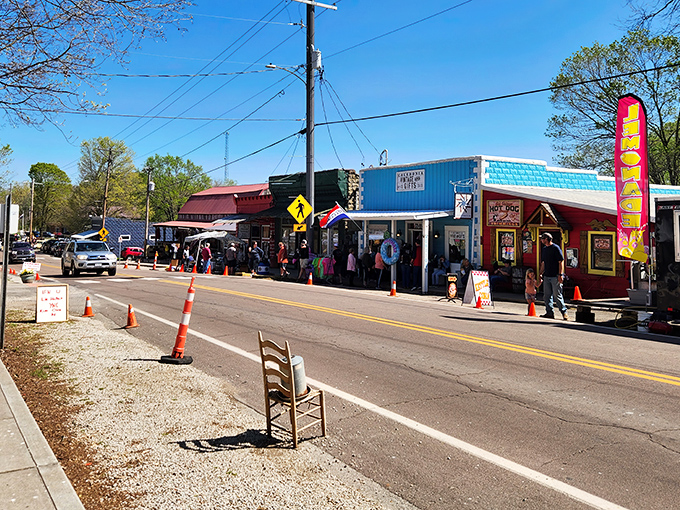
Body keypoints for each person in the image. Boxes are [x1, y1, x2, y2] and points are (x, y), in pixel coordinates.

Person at [539, 232, 568, 320]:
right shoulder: (544, 249)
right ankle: (549, 312)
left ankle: (564, 312)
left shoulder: (556, 248)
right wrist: (540, 273)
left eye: (542, 238)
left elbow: (561, 261)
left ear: (547, 239)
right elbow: (543, 262)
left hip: (555, 276)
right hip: (547, 275)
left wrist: (560, 274)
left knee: (557, 295)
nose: (541, 240)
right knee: (547, 295)